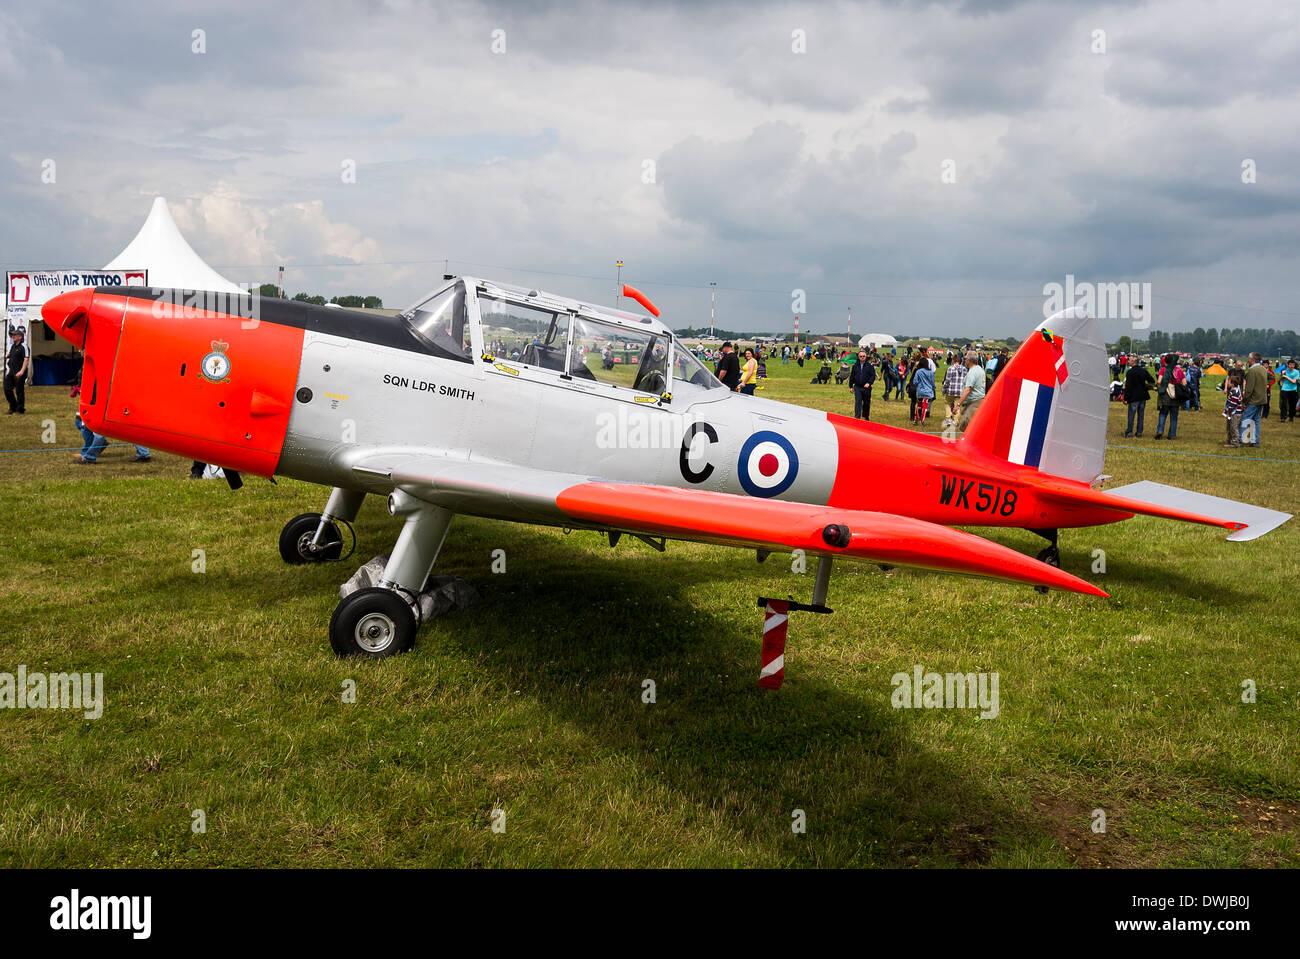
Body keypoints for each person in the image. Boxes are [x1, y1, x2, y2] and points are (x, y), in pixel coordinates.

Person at [1154, 353, 1185, 439]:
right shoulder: (1179, 370)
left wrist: (1160, 389)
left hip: (1166, 395)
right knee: (1174, 416)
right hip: (1176, 396)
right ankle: (1172, 434)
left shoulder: (1164, 369)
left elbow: (1159, 381)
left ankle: (1160, 430)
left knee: (1163, 413)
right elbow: (1184, 383)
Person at [1122, 359, 1156, 437]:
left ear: (1133, 362)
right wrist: (1146, 385)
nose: (1128, 361)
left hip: (1134, 397)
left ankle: (1129, 431)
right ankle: (1139, 432)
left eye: (1130, 361)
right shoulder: (1143, 371)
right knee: (1141, 415)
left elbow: (1128, 386)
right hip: (1143, 395)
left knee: (1131, 415)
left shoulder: (1130, 372)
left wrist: (1125, 398)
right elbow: (1152, 380)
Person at [954, 351, 986, 431]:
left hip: (974, 402)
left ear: (969, 360)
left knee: (966, 427)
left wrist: (958, 405)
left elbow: (968, 389)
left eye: (965, 359)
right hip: (978, 401)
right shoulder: (980, 369)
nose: (964, 361)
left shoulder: (972, 372)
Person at [1241, 352, 1267, 446]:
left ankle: (1240, 440)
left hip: (1253, 399)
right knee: (1256, 421)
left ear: (1252, 360)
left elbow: (1249, 389)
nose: (1248, 360)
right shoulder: (1263, 368)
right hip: (1262, 399)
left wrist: (1244, 400)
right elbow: (1270, 377)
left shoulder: (1252, 371)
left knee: (1245, 419)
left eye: (1248, 358)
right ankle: (1255, 441)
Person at [5, 327, 29, 415]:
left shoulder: (24, 347)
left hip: (20, 372)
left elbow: (26, 359)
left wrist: (22, 371)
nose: (13, 336)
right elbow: (12, 354)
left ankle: (20, 409)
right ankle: (13, 407)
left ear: (20, 337)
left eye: (15, 335)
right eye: (12, 335)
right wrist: (8, 355)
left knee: (19, 391)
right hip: (11, 371)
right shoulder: (13, 346)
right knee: (7, 388)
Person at [848, 349, 875, 420]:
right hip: (857, 387)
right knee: (858, 402)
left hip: (866, 387)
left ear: (866, 357)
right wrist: (851, 386)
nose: (862, 357)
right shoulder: (855, 366)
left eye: (864, 356)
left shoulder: (870, 366)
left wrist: (869, 383)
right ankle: (857, 418)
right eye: (861, 356)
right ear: (858, 357)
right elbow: (852, 376)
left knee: (866, 403)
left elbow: (873, 376)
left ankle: (866, 416)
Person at [1223, 371, 1245, 447]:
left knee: (1233, 427)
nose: (1228, 382)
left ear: (1232, 383)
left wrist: (1228, 413)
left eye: (1229, 381)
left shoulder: (1235, 392)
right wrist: (1225, 411)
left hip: (1235, 413)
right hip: (1231, 412)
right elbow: (1229, 402)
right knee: (1229, 427)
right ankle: (1229, 440)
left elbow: (1233, 404)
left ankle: (1235, 442)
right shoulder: (1232, 390)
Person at [912, 355, 935, 424]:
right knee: (925, 406)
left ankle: (916, 419)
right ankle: (922, 420)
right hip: (928, 391)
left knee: (918, 405)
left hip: (920, 391)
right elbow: (932, 382)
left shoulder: (918, 372)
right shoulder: (930, 372)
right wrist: (933, 388)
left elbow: (915, 381)